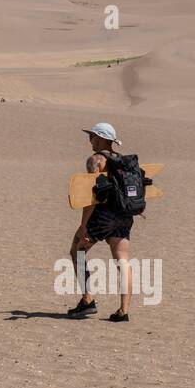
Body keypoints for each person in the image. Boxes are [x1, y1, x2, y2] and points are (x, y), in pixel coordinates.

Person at [67, 122, 137, 322]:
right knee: (122, 259)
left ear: (102, 139)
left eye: (92, 136)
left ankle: (87, 300)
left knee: (77, 251)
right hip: (124, 215)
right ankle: (123, 311)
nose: (90, 140)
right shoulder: (123, 161)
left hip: (103, 216)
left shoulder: (95, 160)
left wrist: (84, 225)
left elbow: (91, 196)